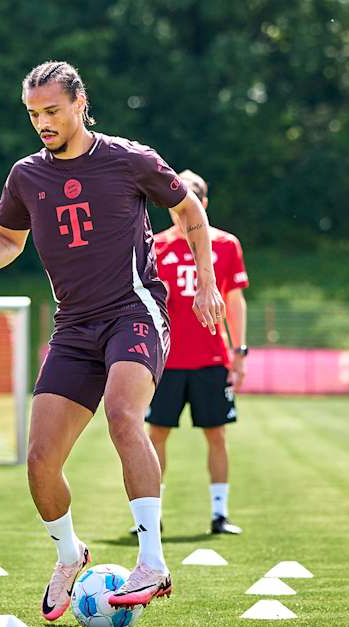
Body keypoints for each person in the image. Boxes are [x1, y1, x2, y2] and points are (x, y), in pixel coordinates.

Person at [0, 61, 224, 618]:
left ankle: (152, 563)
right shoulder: (26, 175)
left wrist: (207, 285)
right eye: (33, 114)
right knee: (40, 461)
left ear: (79, 104)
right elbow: (7, 236)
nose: (42, 122)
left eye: (51, 110)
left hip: (133, 311)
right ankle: (70, 554)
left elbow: (188, 209)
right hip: (73, 327)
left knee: (125, 415)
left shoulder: (128, 159)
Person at [134, 169, 249, 537]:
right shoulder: (155, 245)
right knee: (156, 435)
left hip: (211, 359)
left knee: (216, 434)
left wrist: (239, 351)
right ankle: (150, 519)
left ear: (204, 203)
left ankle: (219, 514)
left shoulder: (226, 245)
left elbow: (234, 300)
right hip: (165, 360)